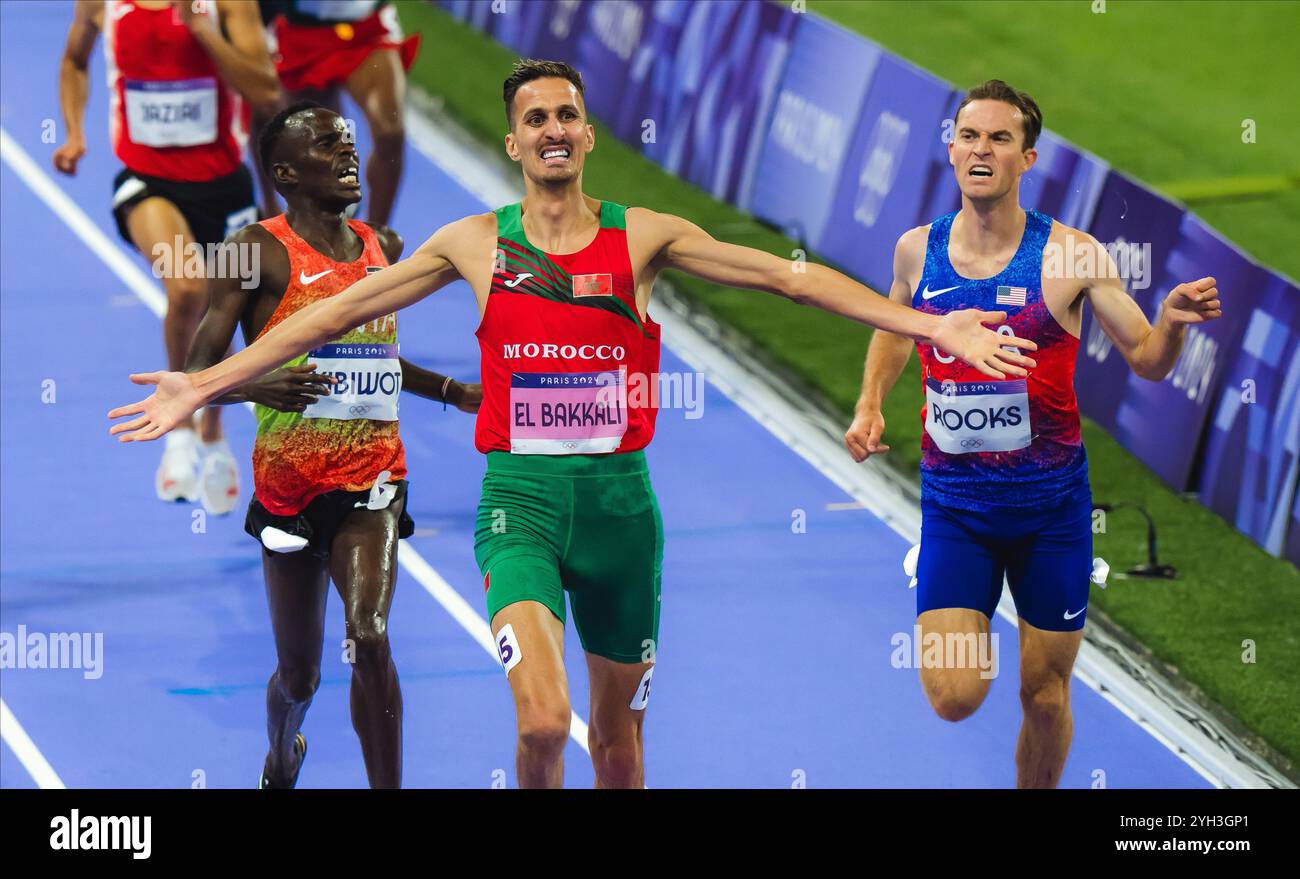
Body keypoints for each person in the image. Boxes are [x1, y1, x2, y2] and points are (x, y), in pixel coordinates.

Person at [109, 59, 1036, 789]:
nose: (552, 130)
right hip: (522, 501)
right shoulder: (473, 241)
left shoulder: (642, 237)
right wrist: (206, 386)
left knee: (622, 752)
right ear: (514, 144)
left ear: (587, 135)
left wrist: (928, 322)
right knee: (546, 722)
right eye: (535, 119)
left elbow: (786, 276)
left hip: (622, 512)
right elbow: (327, 317)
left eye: (565, 116)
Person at [842, 80, 1222, 788]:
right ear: (950, 147)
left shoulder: (1072, 256)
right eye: (969, 135)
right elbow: (894, 326)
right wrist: (870, 404)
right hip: (957, 509)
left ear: (1029, 157)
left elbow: (1146, 360)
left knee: (1044, 695)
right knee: (955, 697)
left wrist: (1168, 321)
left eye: (1000, 138)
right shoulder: (914, 252)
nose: (981, 149)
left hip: (1052, 514)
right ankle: (944, 574)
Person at [183, 100, 480, 788]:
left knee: (370, 635)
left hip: (372, 480)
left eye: (349, 140)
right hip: (288, 490)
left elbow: (369, 355)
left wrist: (449, 392)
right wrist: (258, 386)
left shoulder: (389, 248)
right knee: (299, 675)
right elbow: (197, 377)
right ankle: (283, 753)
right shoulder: (255, 253)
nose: (350, 153)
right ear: (285, 172)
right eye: (328, 145)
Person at [55, 0, 280, 514]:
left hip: (224, 187)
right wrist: (73, 132)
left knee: (230, 314)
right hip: (147, 182)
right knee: (186, 289)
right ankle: (180, 430)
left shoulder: (228, 5)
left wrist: (202, 30)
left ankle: (213, 434)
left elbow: (264, 90)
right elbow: (74, 61)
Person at [253, 0, 418, 224]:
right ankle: (270, 207)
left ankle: (377, 240)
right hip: (302, 32)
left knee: (390, 132)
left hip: (366, 27)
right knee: (308, 140)